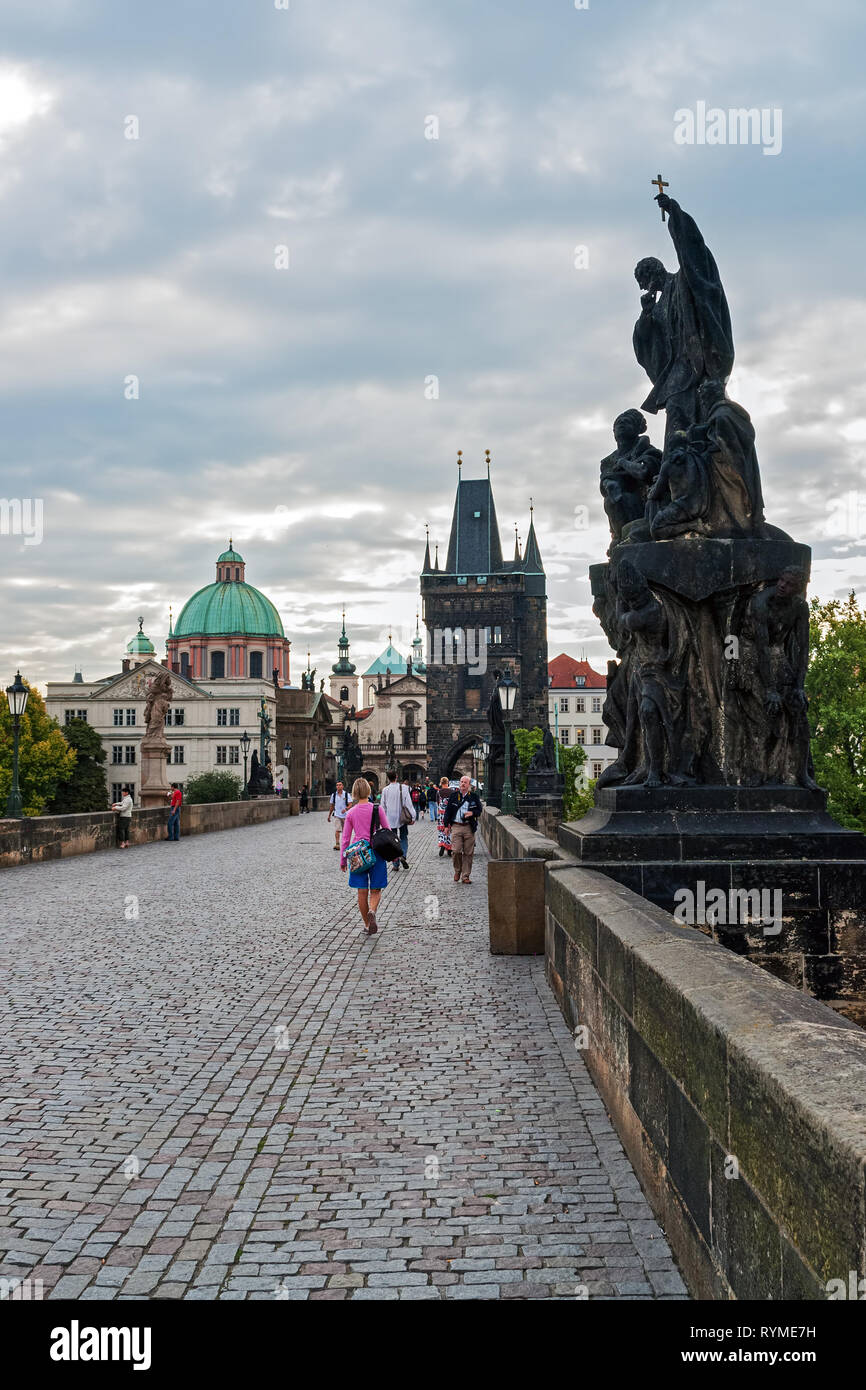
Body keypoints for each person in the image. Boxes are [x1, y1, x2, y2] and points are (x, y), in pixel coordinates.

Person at [340, 777, 391, 936]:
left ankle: (367, 925)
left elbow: (346, 839)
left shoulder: (350, 813)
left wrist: (343, 860)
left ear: (354, 792)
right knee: (375, 889)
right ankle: (373, 911)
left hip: (357, 854)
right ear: (368, 791)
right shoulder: (378, 809)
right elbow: (387, 831)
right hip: (376, 851)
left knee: (361, 892)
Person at [444, 775, 483, 884]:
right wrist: (446, 825)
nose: (463, 784)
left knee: (468, 853)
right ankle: (457, 870)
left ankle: (465, 876)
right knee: (456, 851)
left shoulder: (474, 797)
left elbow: (479, 810)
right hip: (456, 826)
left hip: (469, 827)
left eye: (465, 782)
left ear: (469, 785)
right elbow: (448, 811)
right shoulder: (454, 796)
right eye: (461, 781)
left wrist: (472, 813)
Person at [380, 769, 415, 872]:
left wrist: (382, 821)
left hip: (389, 820)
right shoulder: (404, 788)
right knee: (404, 837)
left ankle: (395, 864)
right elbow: (408, 804)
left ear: (388, 778)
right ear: (396, 776)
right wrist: (413, 816)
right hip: (402, 818)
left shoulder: (385, 790)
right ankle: (403, 855)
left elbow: (383, 806)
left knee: (393, 841)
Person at [328, 780, 350, 850]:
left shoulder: (346, 794)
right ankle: (337, 844)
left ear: (342, 786)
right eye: (337, 785)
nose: (338, 786)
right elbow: (331, 806)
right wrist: (329, 815)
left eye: (340, 785)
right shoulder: (333, 795)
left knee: (345, 831)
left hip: (345, 815)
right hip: (337, 814)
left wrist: (346, 809)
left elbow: (350, 804)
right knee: (337, 829)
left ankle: (344, 843)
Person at [111, 785, 134, 849]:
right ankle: (127, 842)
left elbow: (123, 808)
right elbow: (122, 803)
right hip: (127, 816)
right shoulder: (127, 799)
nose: (122, 793)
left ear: (126, 793)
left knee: (121, 829)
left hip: (125, 816)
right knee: (126, 830)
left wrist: (115, 808)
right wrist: (116, 804)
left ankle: (123, 843)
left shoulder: (128, 799)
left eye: (123, 792)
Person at [436, 775, 452, 857]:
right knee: (449, 830)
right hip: (449, 813)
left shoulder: (439, 792)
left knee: (442, 830)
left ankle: (442, 844)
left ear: (441, 783)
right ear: (447, 782)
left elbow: (438, 803)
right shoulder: (452, 791)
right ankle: (449, 848)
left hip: (441, 813)